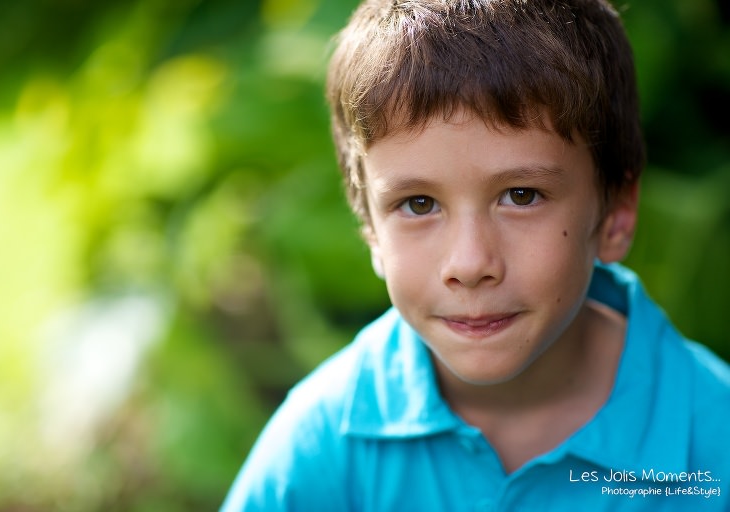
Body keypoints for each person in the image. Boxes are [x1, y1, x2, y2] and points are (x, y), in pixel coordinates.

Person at [221, 0, 730, 510]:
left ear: (616, 214)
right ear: (371, 231)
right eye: (418, 204)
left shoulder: (710, 441)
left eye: (522, 196)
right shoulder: (323, 446)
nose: (468, 264)